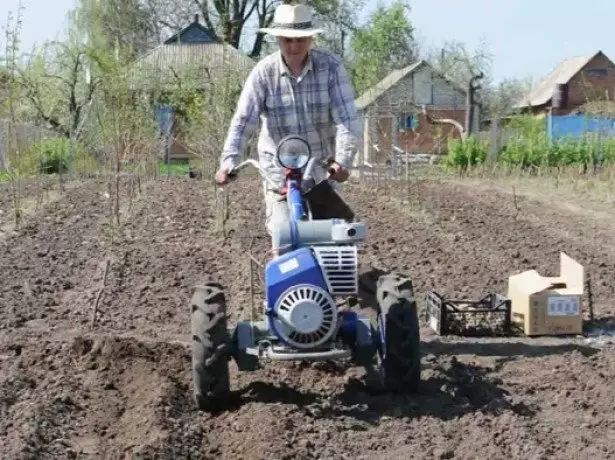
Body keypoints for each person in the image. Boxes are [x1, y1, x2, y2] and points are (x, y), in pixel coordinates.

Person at [214, 3, 360, 235]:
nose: (293, 46)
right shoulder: (263, 73)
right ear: (277, 39)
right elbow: (244, 121)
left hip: (320, 173)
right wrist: (228, 162)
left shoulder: (330, 67)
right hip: (278, 176)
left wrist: (342, 161)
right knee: (284, 237)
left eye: (300, 39)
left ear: (311, 38)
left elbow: (347, 119)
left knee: (336, 238)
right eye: (287, 39)